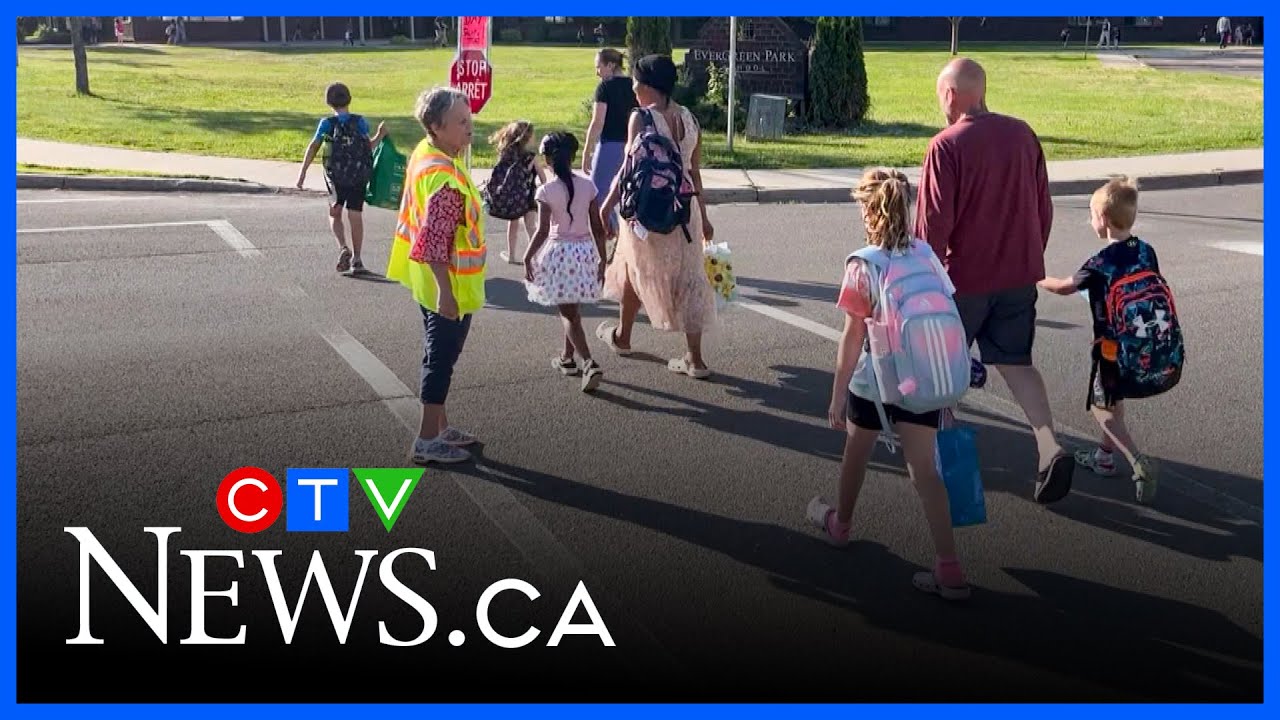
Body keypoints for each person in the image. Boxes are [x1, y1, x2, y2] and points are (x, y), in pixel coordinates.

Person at [914, 57, 1075, 503]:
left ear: (950, 95)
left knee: (942, 377)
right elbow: (1044, 208)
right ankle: (1049, 447)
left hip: (961, 282)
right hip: (1017, 276)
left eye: (939, 95)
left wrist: (920, 283)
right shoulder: (1023, 134)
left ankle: (955, 476)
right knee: (1017, 363)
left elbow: (931, 229)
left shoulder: (945, 146)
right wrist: (1029, 255)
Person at [808, 168, 970, 602]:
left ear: (868, 210)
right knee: (924, 472)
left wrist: (837, 393)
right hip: (922, 380)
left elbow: (852, 336)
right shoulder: (926, 255)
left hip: (875, 382)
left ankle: (841, 525)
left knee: (856, 455)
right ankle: (949, 568)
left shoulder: (864, 264)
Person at [1037, 178, 1162, 504]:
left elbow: (1065, 286)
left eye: (1092, 214)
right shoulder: (1146, 250)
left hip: (1110, 349)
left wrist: (1036, 276)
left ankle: (1137, 461)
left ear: (1103, 220)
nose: (1090, 220)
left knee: (1101, 407)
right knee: (1114, 399)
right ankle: (1104, 457)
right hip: (1139, 343)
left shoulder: (1100, 263)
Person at [597, 54, 718, 379]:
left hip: (649, 207)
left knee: (635, 267)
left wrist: (607, 204)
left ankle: (622, 337)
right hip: (686, 209)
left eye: (637, 81)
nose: (633, 87)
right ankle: (695, 359)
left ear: (648, 85)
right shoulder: (689, 118)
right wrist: (704, 217)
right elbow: (694, 171)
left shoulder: (641, 117)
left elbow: (628, 166)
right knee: (691, 276)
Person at [386, 87, 487, 465]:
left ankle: (441, 428)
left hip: (428, 282)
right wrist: (447, 294)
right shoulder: (444, 178)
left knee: (436, 353)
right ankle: (427, 439)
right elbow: (434, 242)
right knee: (441, 359)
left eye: (469, 120)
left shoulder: (428, 153)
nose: (470, 129)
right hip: (447, 287)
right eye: (461, 123)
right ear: (435, 126)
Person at [523, 132, 609, 392]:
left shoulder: (546, 190)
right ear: (572, 156)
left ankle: (589, 363)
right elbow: (598, 226)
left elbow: (542, 230)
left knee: (567, 313)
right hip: (584, 253)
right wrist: (603, 259)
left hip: (559, 253)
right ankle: (567, 358)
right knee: (572, 310)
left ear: (548, 160)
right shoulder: (588, 185)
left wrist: (528, 257)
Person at [296, 82, 387, 275]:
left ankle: (343, 247)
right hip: (357, 176)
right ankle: (358, 259)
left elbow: (314, 146)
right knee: (355, 215)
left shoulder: (327, 124)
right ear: (349, 99)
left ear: (329, 103)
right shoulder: (360, 122)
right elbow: (367, 147)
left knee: (335, 213)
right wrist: (380, 134)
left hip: (335, 178)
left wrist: (303, 172)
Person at [582, 48, 638, 237]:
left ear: (610, 65)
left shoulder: (604, 88)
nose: (597, 72)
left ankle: (612, 230)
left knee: (597, 193)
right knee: (625, 192)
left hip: (609, 145)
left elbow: (598, 122)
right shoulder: (634, 86)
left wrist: (587, 150)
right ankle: (624, 232)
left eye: (599, 67)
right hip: (631, 145)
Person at [484, 121, 545, 264]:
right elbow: (543, 178)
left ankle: (512, 255)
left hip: (513, 197)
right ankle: (535, 257)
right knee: (531, 226)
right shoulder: (531, 157)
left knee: (513, 224)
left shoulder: (506, 154)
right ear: (528, 138)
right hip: (528, 195)